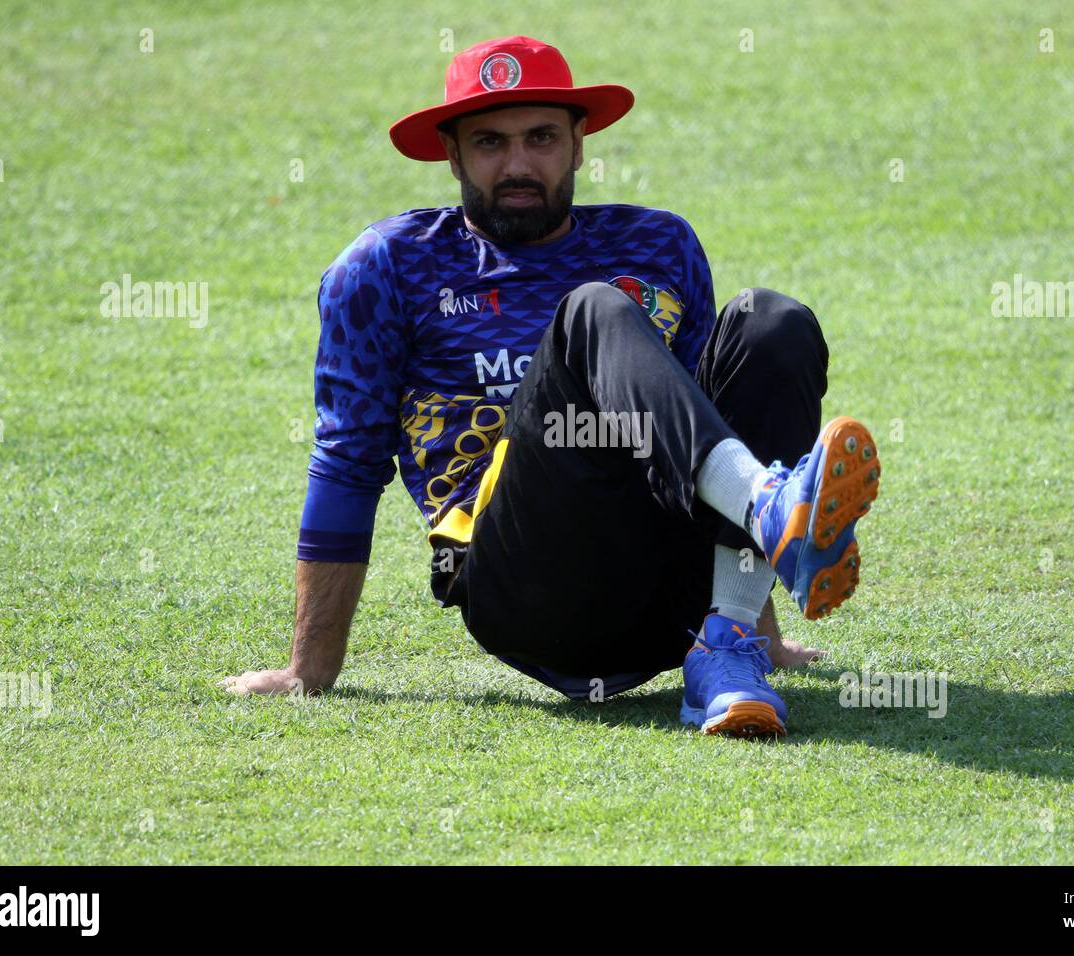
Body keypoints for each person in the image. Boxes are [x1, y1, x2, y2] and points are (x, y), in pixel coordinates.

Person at [221, 35, 881, 738]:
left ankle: (731, 645)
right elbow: (347, 462)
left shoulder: (660, 243)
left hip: (665, 588)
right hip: (523, 583)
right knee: (594, 309)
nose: (517, 165)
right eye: (489, 143)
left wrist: (768, 632)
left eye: (540, 138)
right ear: (451, 155)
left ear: (579, 142)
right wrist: (308, 668)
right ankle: (775, 513)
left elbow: (711, 426)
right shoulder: (387, 266)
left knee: (770, 322)